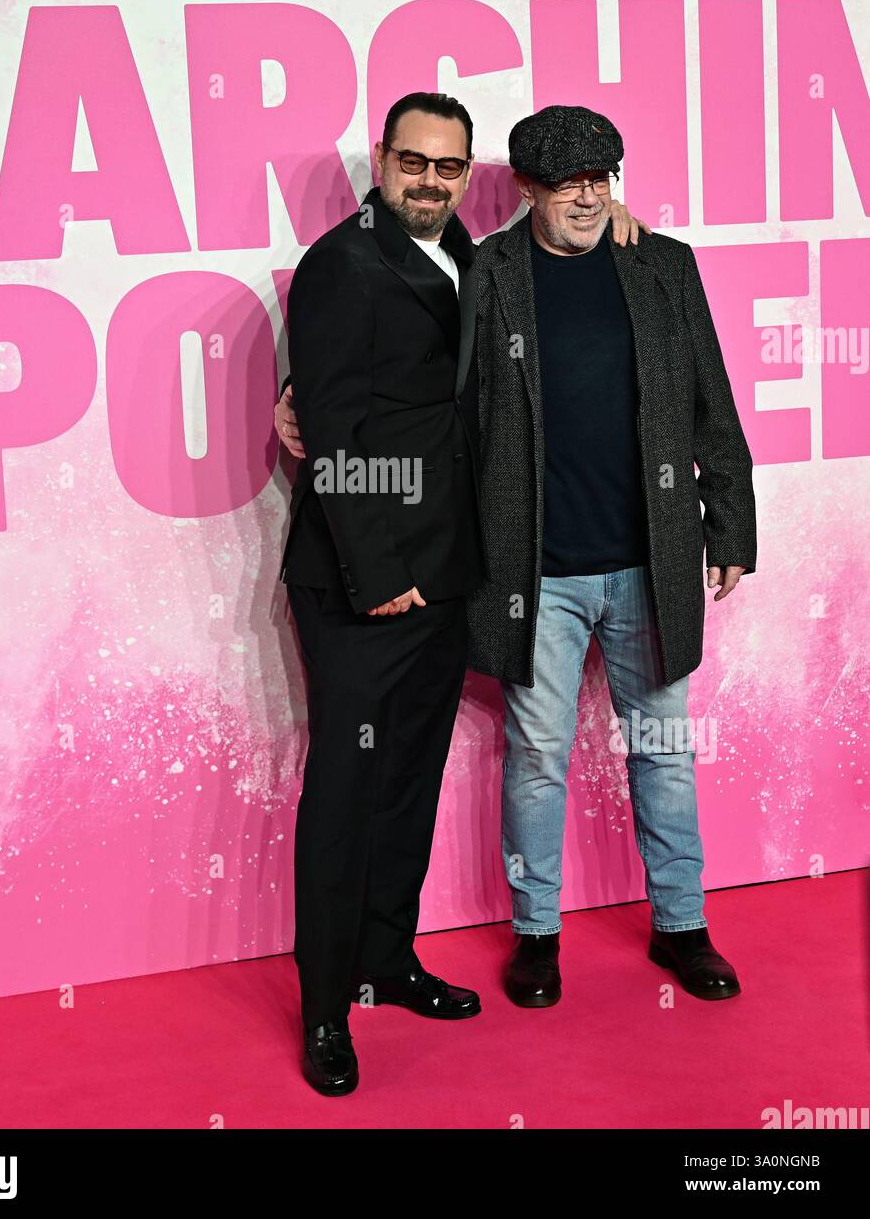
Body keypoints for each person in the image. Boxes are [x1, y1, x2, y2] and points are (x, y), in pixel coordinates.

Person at [277, 103, 755, 1019]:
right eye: (566, 180)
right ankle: (508, 946)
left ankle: (680, 924)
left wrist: (729, 520)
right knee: (525, 756)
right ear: (526, 187)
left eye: (601, 177)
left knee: (661, 750)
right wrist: (293, 398)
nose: (587, 195)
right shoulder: (478, 269)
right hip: (520, 569)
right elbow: (363, 390)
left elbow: (708, 395)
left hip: (641, 562)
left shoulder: (653, 264)